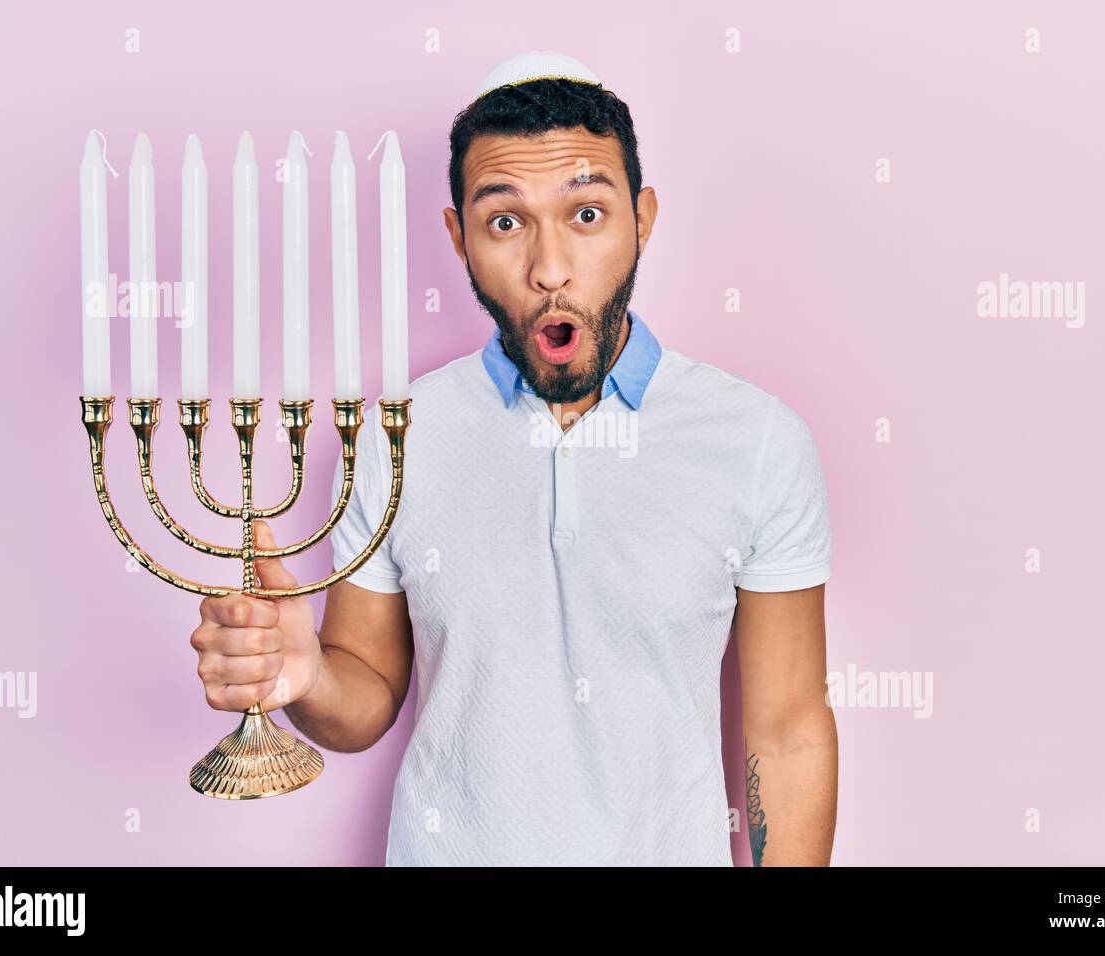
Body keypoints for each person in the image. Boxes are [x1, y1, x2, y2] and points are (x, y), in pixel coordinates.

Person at [190, 51, 836, 866]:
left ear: (643, 218)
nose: (550, 269)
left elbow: (785, 731)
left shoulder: (757, 441)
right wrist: (307, 672)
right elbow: (367, 695)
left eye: (587, 215)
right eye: (505, 222)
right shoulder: (394, 437)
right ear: (459, 238)